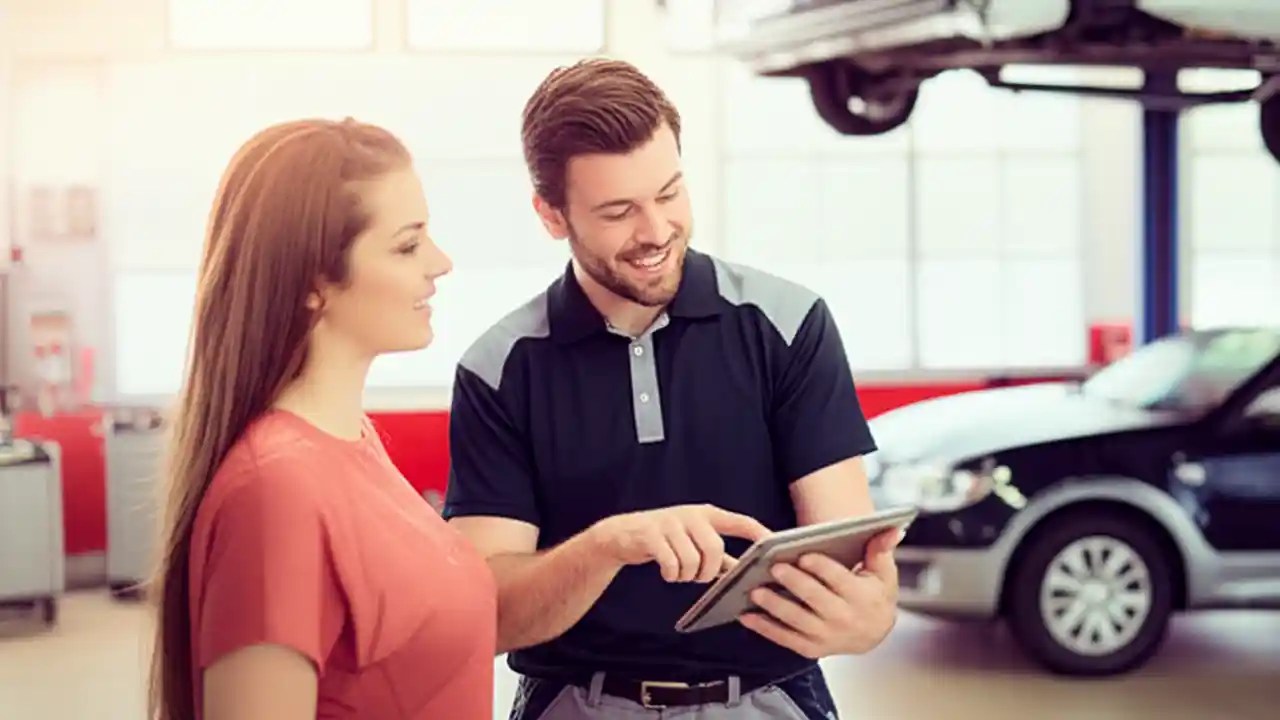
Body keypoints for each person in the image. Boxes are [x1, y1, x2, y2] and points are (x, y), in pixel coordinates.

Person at [444, 58, 901, 719]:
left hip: (772, 700)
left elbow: (844, 555)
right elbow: (489, 616)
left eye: (669, 193)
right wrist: (610, 545)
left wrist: (869, 614)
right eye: (618, 211)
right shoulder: (498, 369)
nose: (656, 231)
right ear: (551, 215)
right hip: (576, 705)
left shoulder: (789, 324)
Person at [147, 118, 495, 720]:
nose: (440, 263)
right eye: (407, 246)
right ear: (315, 283)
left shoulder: (352, 441)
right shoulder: (275, 489)